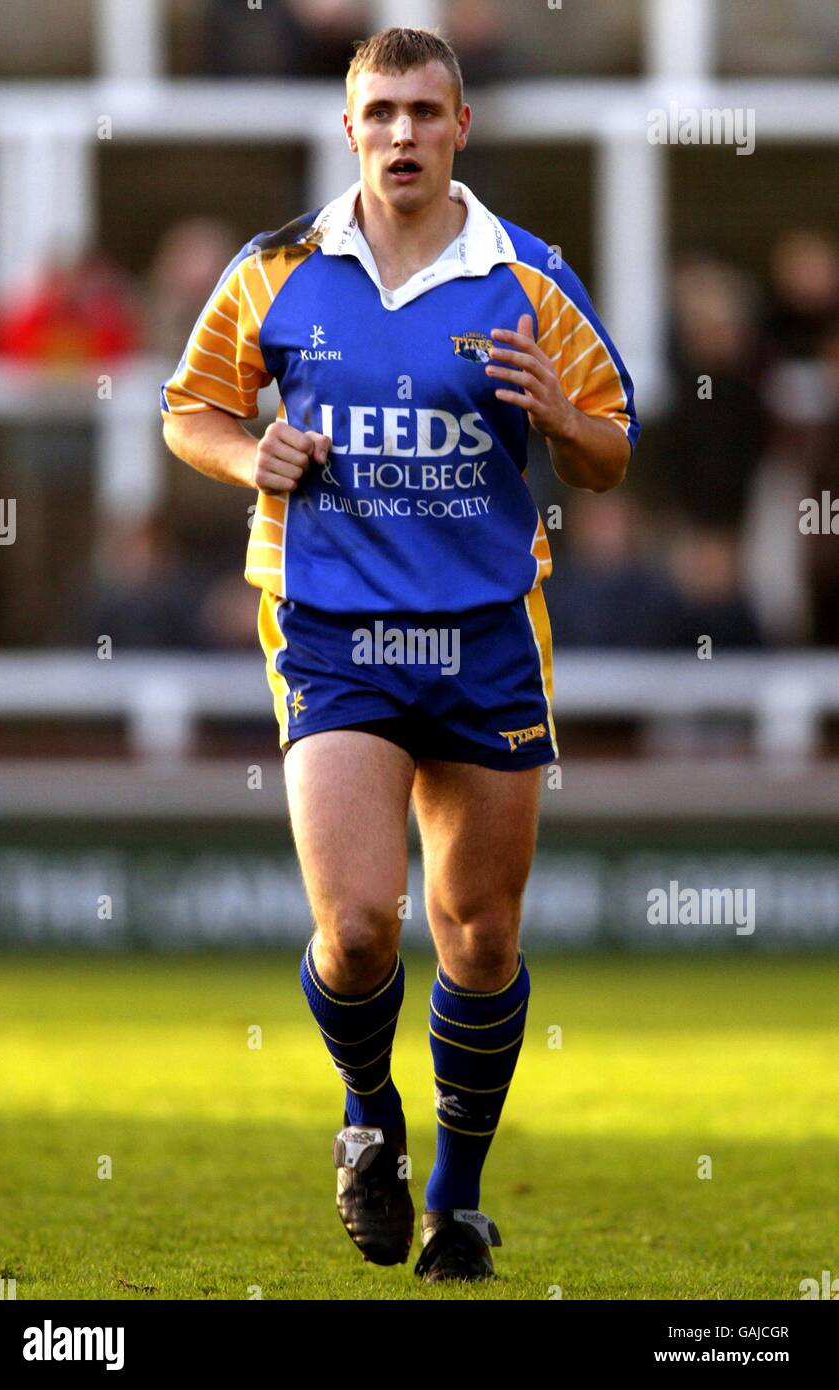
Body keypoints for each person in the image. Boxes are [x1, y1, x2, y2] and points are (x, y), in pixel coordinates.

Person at [161, 26, 638, 1283]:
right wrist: (240, 454)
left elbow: (610, 447)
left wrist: (557, 417)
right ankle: (366, 1111)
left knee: (476, 933)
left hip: (484, 635)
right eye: (380, 113)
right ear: (348, 128)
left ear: (460, 127)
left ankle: (459, 1199)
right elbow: (189, 407)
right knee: (360, 926)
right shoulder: (277, 269)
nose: (402, 135)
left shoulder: (527, 278)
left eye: (425, 112)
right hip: (333, 630)